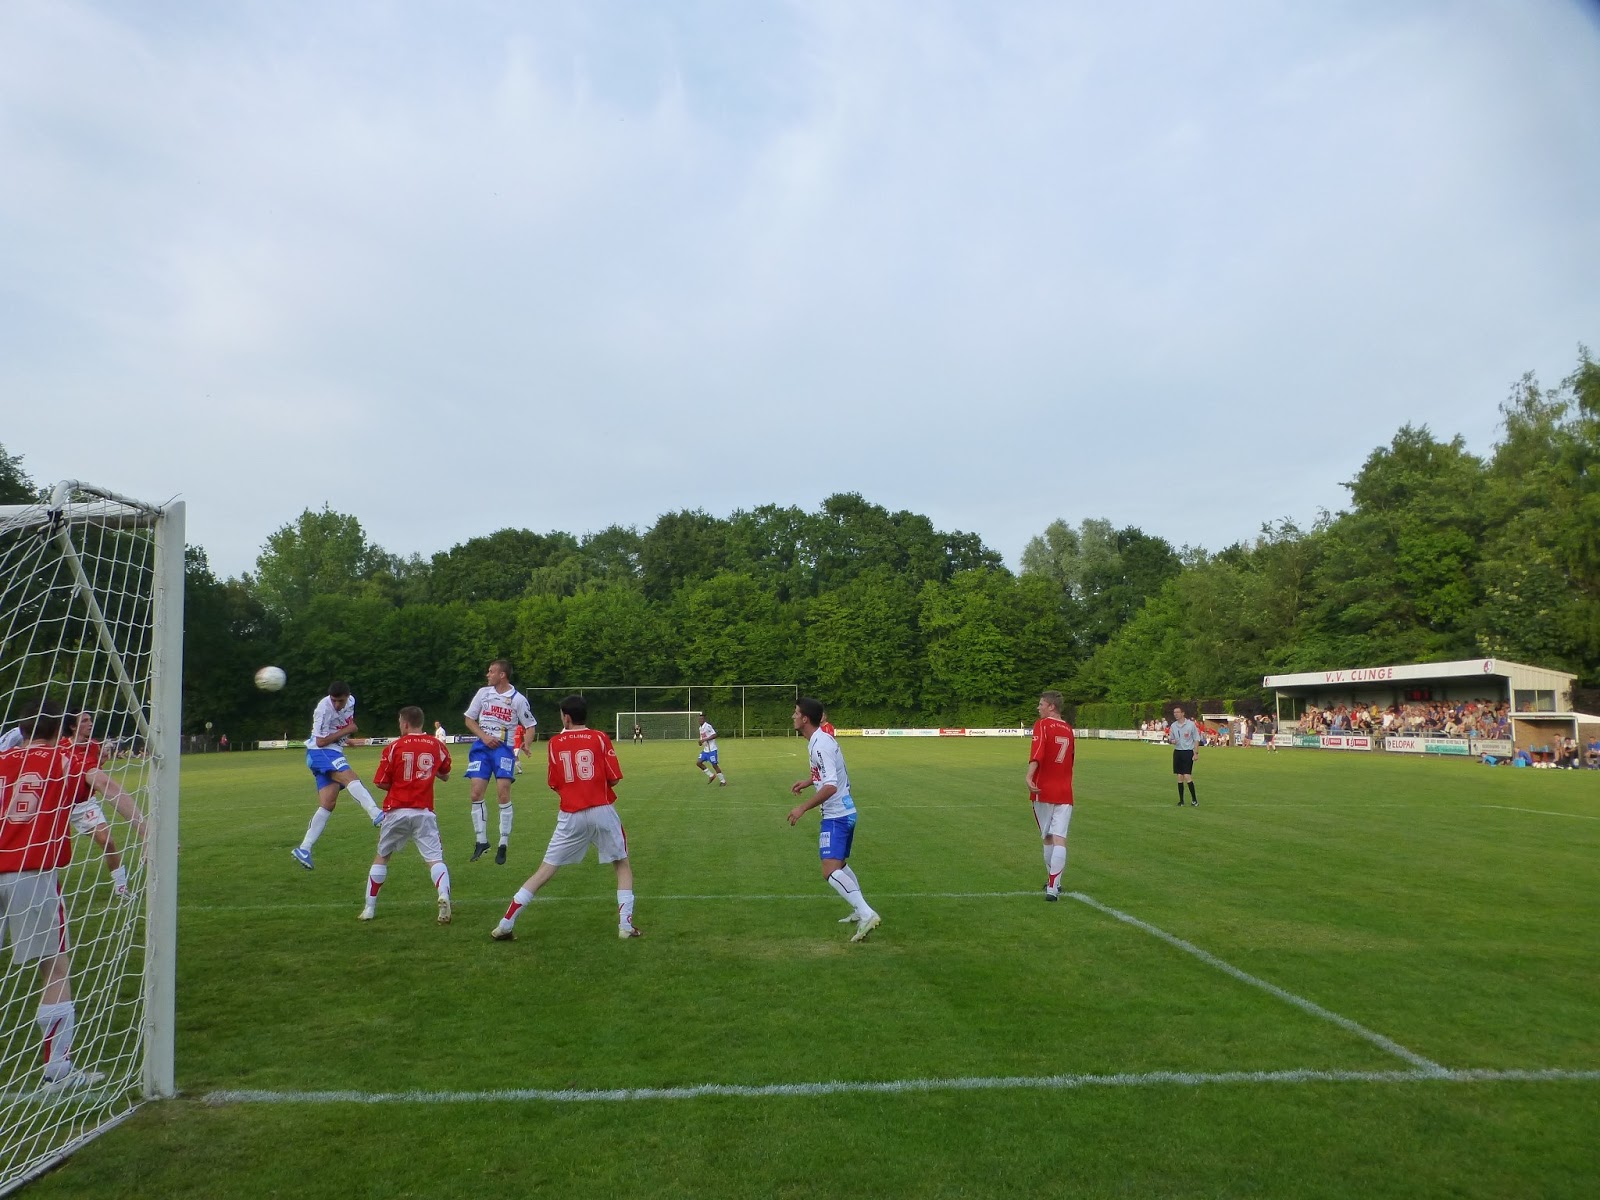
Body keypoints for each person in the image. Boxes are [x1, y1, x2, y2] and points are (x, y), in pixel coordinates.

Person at [0, 699, 105, 1090]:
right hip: (30, 871)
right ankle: (57, 1069)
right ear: (61, 729)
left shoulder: (3, 758)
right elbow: (105, 786)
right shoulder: (62, 761)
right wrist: (147, 829)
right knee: (55, 969)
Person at [491, 694, 640, 942]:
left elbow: (554, 782)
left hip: (570, 813)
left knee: (545, 871)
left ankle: (505, 924)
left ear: (566, 717)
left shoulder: (555, 743)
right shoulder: (600, 738)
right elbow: (613, 777)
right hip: (602, 809)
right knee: (622, 864)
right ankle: (625, 926)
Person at [788, 698, 880, 942]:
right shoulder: (818, 740)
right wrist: (807, 782)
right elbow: (829, 772)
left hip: (837, 814)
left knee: (829, 870)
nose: (793, 716)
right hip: (845, 811)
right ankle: (860, 911)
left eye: (796, 713)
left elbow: (830, 786)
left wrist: (802, 808)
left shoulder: (820, 744)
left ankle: (866, 913)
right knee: (840, 865)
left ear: (805, 718)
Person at [362, 707, 454, 925]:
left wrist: (402, 783)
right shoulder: (436, 745)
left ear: (404, 723)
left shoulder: (394, 747)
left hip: (396, 810)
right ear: (422, 722)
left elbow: (381, 781)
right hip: (423, 810)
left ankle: (369, 908)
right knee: (434, 859)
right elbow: (445, 774)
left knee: (382, 856)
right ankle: (443, 895)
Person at [291, 681, 384, 870]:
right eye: (334, 701)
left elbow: (341, 727)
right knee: (350, 777)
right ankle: (377, 814)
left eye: (340, 701)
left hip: (333, 751)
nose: (337, 705)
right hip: (320, 751)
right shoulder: (322, 709)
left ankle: (304, 848)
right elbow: (320, 740)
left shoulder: (351, 702)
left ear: (348, 697)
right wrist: (347, 731)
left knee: (328, 803)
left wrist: (346, 740)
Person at [63, 712, 147, 901]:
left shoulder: (93, 746)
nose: (90, 723)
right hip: (57, 805)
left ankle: (121, 887)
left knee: (108, 841)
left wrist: (101, 761)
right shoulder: (60, 747)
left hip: (83, 804)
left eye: (90, 719)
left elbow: (94, 773)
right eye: (84, 721)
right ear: (72, 727)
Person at [463, 659, 538, 865]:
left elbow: (530, 725)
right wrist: (484, 737)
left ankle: (503, 843)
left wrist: (527, 743)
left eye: (491, 671)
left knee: (503, 793)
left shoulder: (517, 699)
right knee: (475, 793)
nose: (488, 675)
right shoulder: (483, 693)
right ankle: (481, 841)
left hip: (503, 751)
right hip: (481, 748)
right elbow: (469, 719)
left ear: (502, 675)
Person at [1024, 691, 1076, 901]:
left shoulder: (1042, 725)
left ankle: (1053, 883)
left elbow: (1038, 751)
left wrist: (1029, 776)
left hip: (1043, 788)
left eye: (1041, 704)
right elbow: (1070, 761)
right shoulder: (1069, 729)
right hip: (1065, 790)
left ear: (1051, 706)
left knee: (1047, 837)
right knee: (1060, 838)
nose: (1039, 708)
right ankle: (1054, 886)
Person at [1169, 704, 1200, 806]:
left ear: (1183, 713)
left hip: (1187, 752)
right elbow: (1170, 739)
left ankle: (1194, 799)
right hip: (1178, 752)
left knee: (1187, 775)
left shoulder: (1191, 725)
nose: (1176, 714)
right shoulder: (1173, 726)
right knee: (1179, 776)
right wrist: (1173, 741)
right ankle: (1181, 800)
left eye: (1178, 712)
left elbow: (1196, 739)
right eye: (1174, 713)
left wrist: (1195, 753)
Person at [695, 712, 727, 786]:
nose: (700, 720)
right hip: (706, 750)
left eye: (702, 719)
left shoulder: (708, 726)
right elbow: (702, 739)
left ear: (704, 720)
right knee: (698, 763)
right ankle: (711, 775)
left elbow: (715, 735)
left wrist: (705, 739)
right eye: (699, 719)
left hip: (712, 750)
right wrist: (700, 742)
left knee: (714, 765)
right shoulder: (700, 728)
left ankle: (723, 781)